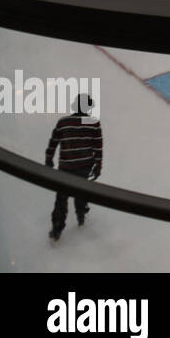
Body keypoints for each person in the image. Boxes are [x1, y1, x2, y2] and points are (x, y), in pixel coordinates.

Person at [45, 93, 103, 242]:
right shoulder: (93, 122)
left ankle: (57, 228)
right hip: (84, 167)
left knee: (61, 199)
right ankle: (81, 214)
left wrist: (49, 158)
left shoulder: (64, 122)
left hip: (66, 167)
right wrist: (98, 166)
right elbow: (98, 147)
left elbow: (53, 142)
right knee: (81, 193)